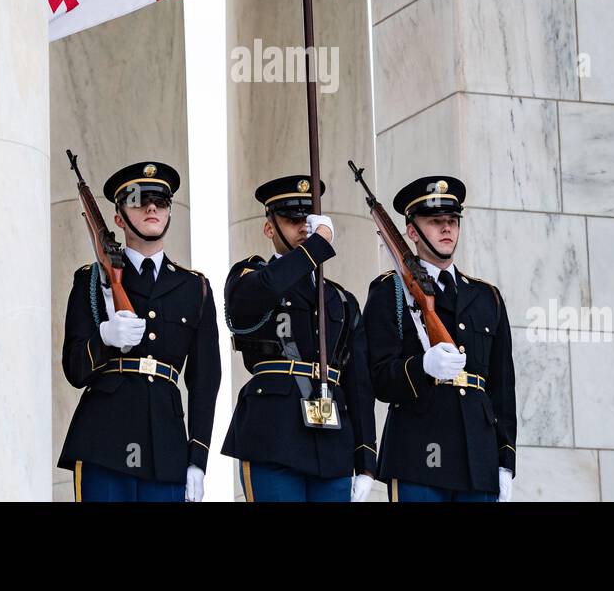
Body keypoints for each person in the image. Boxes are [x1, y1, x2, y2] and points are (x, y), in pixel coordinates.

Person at [58, 161, 220, 501]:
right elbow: (74, 368)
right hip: (104, 441)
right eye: (138, 200)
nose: (150, 207)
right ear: (118, 218)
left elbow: (205, 382)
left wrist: (198, 459)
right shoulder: (91, 279)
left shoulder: (195, 288)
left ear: (169, 213)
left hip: (167, 448)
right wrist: (103, 338)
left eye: (160, 201)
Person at [221, 175, 377, 501]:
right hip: (273, 436)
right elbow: (262, 291)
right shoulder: (249, 275)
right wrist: (317, 245)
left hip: (332, 445)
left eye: (309, 220)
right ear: (269, 228)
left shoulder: (341, 300)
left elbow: (358, 383)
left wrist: (365, 458)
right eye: (293, 220)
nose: (303, 228)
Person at [363, 175, 517, 502]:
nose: (447, 229)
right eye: (435, 222)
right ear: (412, 232)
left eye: (452, 221)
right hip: (419, 454)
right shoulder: (390, 291)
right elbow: (379, 379)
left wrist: (505, 460)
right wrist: (423, 366)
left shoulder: (487, 297)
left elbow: (502, 389)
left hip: (478, 457)